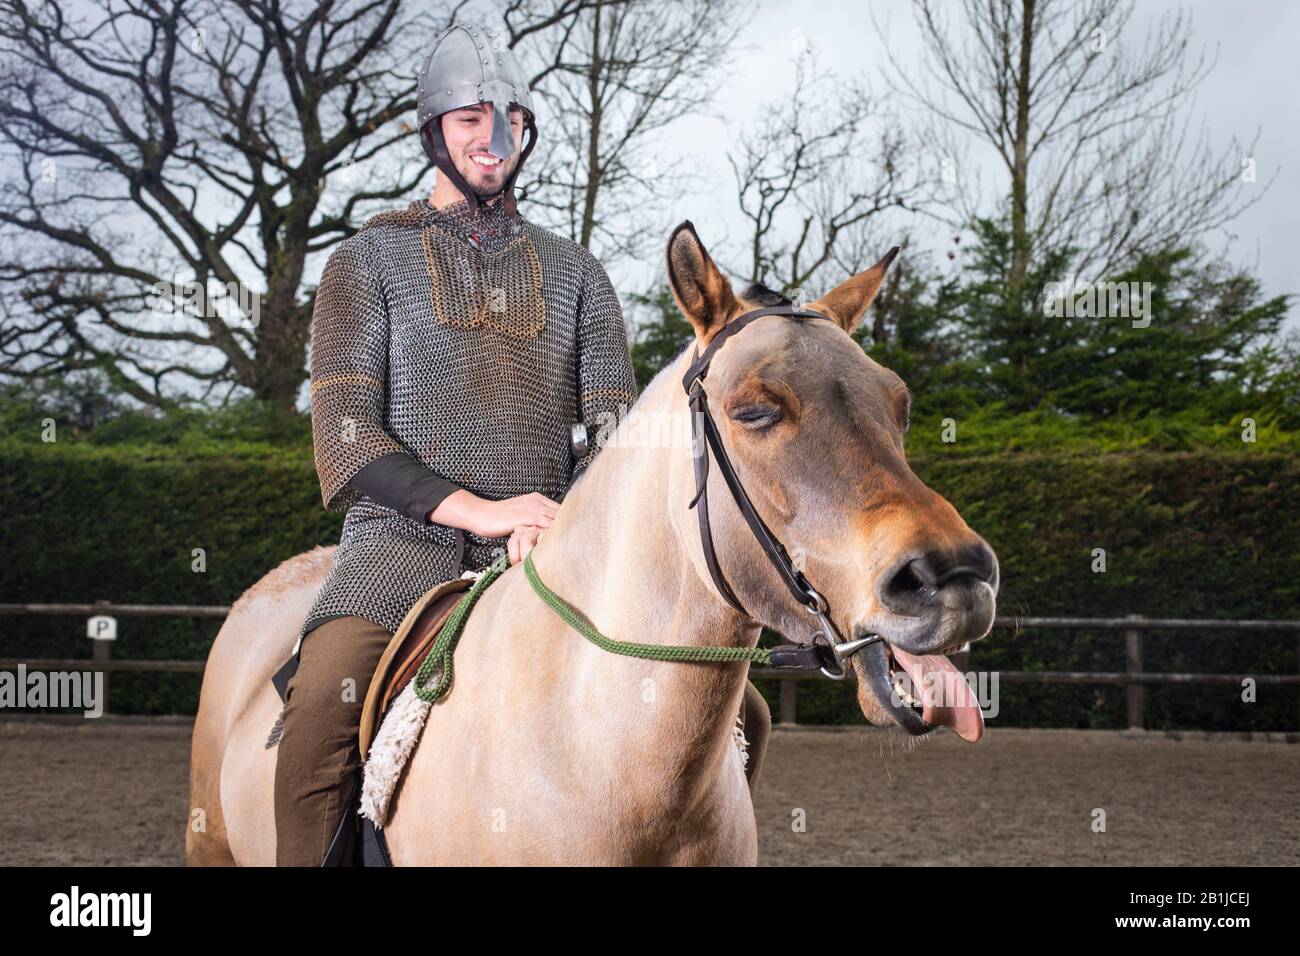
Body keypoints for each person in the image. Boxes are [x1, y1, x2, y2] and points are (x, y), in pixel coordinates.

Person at [270, 23, 769, 866]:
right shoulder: (364, 262)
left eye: (508, 117)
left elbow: (613, 435)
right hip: (404, 548)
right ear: (432, 130)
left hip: (549, 548)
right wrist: (485, 513)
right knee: (325, 703)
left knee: (740, 710)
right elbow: (348, 438)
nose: (490, 135)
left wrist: (565, 523)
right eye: (469, 116)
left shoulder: (578, 273)